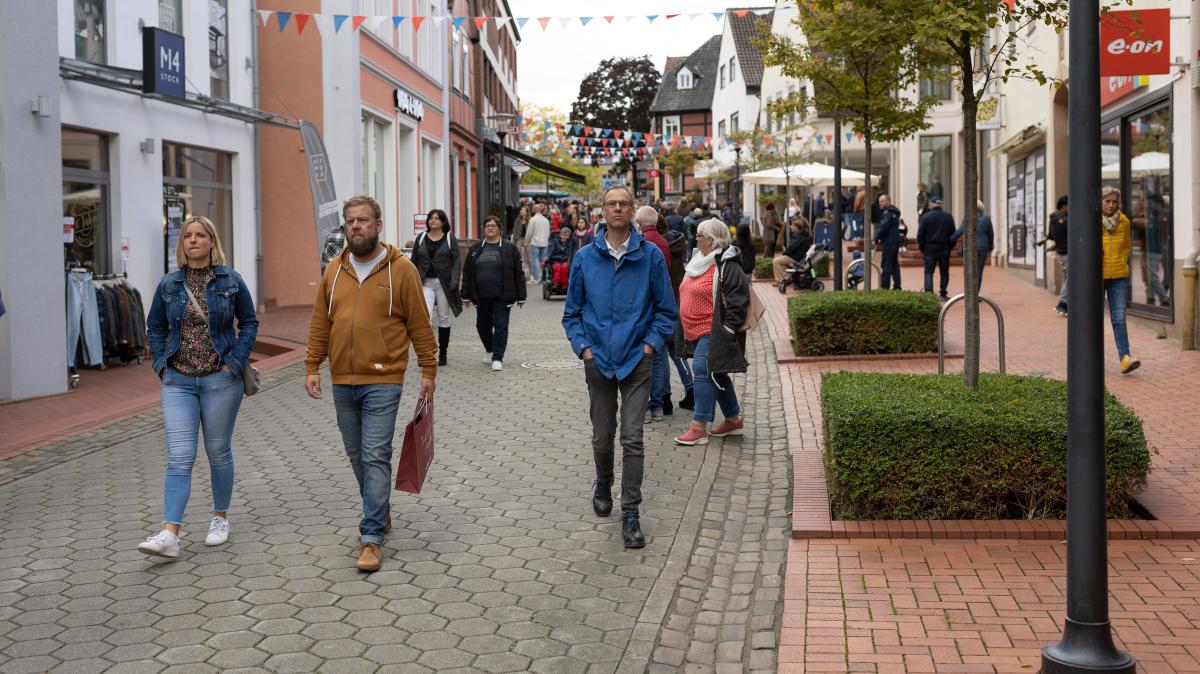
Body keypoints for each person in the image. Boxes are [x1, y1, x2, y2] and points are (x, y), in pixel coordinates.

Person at [305, 195, 438, 572]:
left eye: (363, 220)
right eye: (350, 221)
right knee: (356, 454)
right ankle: (379, 508)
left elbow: (419, 326)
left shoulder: (402, 271)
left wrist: (429, 370)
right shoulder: (335, 270)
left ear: (378, 225)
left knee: (375, 454)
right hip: (342, 380)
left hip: (384, 378)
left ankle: (371, 535)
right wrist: (312, 364)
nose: (355, 227)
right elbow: (320, 322)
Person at [563, 185, 677, 549]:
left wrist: (649, 346)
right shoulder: (584, 257)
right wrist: (583, 349)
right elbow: (572, 313)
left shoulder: (650, 256)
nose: (616, 209)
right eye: (611, 204)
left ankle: (631, 513)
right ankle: (602, 480)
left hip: (636, 361)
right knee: (602, 435)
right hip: (598, 360)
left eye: (623, 204)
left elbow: (666, 311)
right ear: (602, 210)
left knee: (632, 437)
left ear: (632, 211)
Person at [140, 216, 259, 559]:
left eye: (200, 235)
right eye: (188, 235)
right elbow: (155, 328)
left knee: (218, 452)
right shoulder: (168, 284)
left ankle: (219, 517)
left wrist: (234, 363)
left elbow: (249, 322)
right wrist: (162, 365)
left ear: (211, 241)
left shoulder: (230, 280)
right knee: (179, 457)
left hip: (220, 380)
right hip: (178, 382)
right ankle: (169, 533)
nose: (193, 240)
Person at [673, 218, 750, 446]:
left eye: (700, 235)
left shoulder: (727, 264)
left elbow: (738, 298)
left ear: (713, 240)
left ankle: (698, 427)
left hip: (713, 329)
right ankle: (733, 419)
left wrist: (727, 327)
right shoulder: (699, 260)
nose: (695, 239)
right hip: (693, 329)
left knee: (703, 368)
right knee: (717, 372)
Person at [463, 215, 527, 371]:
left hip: (502, 295)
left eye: (493, 225)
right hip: (481, 295)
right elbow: (468, 273)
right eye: (487, 226)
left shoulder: (509, 248)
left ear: (499, 229)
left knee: (501, 326)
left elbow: (518, 272)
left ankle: (498, 358)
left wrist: (521, 295)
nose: (490, 228)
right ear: (483, 229)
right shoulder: (475, 249)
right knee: (482, 326)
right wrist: (465, 294)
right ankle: (490, 349)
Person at [635, 206, 675, 421]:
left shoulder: (645, 243)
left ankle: (651, 406)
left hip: (647, 308)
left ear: (639, 223)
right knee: (659, 359)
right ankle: (658, 406)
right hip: (660, 306)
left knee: (648, 359)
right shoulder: (662, 241)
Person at [409, 209, 462, 366]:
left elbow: (457, 260)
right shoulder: (421, 238)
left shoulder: (450, 239)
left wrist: (455, 280)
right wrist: (412, 280)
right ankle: (426, 353)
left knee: (444, 317)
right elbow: (413, 260)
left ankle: (443, 352)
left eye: (437, 219)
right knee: (425, 318)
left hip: (443, 284)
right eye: (431, 218)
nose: (433, 221)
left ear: (443, 222)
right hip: (425, 282)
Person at [1100, 186, 1141, 374]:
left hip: (1118, 277)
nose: (1110, 205)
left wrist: (1122, 262)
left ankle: (1125, 358)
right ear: (1100, 201)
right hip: (1096, 277)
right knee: (1092, 319)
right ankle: (1091, 359)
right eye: (1107, 201)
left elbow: (1127, 245)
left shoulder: (1124, 222)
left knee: (1119, 318)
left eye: (1114, 202)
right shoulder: (1092, 220)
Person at [949, 201, 995, 291]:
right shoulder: (986, 219)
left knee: (970, 271)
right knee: (979, 271)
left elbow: (958, 233)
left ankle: (970, 293)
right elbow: (991, 234)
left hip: (970, 248)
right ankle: (975, 294)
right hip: (983, 248)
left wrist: (949, 241)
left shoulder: (967, 219)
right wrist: (990, 247)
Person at [917, 196, 955, 300]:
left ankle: (929, 293)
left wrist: (922, 247)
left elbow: (920, 235)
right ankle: (943, 293)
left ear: (932, 204)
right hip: (944, 248)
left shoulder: (925, 217)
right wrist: (950, 247)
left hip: (929, 248)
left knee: (929, 271)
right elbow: (953, 234)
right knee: (944, 272)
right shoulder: (948, 217)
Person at [1045, 195, 1069, 316]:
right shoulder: (1064, 219)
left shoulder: (1053, 219)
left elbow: (1051, 236)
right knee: (1070, 278)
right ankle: (1062, 303)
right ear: (1064, 206)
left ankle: (1066, 304)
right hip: (1067, 252)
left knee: (1066, 277)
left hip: (1060, 252)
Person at [874, 195, 903, 291]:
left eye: (882, 201)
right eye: (879, 201)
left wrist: (877, 237)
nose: (880, 203)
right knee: (894, 264)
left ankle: (884, 287)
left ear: (888, 201)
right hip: (895, 240)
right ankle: (897, 286)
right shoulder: (894, 212)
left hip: (890, 241)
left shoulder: (888, 213)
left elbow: (884, 227)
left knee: (886, 264)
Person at [772, 218, 813, 282]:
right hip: (799, 258)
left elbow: (791, 249)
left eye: (792, 225)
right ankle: (785, 278)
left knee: (776, 261)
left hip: (795, 259)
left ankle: (782, 280)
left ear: (796, 227)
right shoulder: (804, 235)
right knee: (780, 263)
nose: (791, 227)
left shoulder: (798, 236)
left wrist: (783, 253)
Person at [526, 204, 552, 283]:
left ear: (534, 210)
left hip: (535, 242)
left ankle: (535, 277)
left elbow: (529, 232)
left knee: (534, 260)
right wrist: (546, 241)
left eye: (532, 208)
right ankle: (544, 277)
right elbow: (548, 232)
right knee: (543, 261)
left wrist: (526, 242)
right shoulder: (546, 220)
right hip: (544, 242)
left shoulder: (533, 219)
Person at [511, 205, 531, 276]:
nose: (521, 211)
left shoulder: (530, 221)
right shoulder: (518, 220)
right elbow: (514, 231)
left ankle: (531, 273)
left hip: (527, 240)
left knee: (528, 257)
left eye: (523, 210)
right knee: (517, 256)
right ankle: (518, 271)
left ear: (527, 212)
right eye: (521, 210)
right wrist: (513, 243)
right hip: (519, 239)